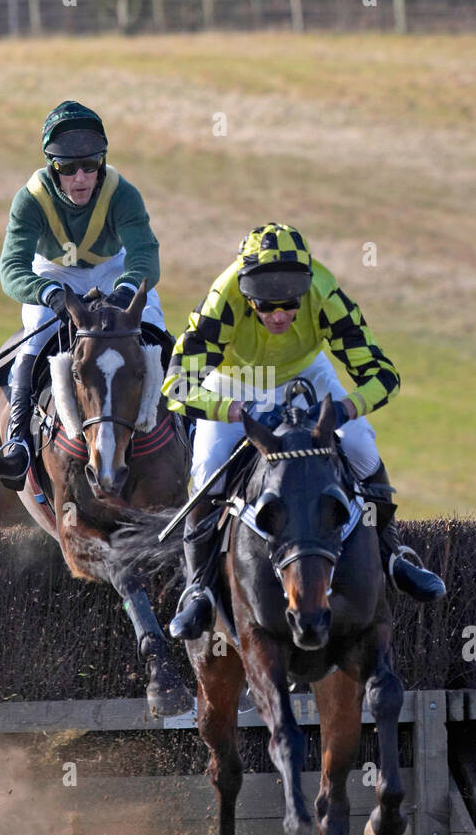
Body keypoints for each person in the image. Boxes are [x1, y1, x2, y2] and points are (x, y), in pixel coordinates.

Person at [161, 222, 445, 639]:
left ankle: (396, 554)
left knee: (362, 446)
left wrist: (347, 409)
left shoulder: (324, 292)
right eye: (265, 306)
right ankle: (198, 589)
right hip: (234, 383)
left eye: (289, 304)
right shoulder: (223, 297)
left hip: (307, 375)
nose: (278, 316)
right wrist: (231, 409)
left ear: (306, 285)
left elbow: (384, 376)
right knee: (207, 468)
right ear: (245, 291)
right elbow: (176, 386)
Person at [0, 100, 168, 489]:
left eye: (90, 165)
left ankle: (186, 424)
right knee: (33, 340)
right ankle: (18, 439)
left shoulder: (123, 194)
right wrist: (48, 294)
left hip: (113, 268)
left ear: (102, 162)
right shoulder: (30, 199)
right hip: (53, 272)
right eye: (67, 168)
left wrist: (125, 293)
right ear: (53, 168)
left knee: (154, 331)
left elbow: (145, 257)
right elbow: (11, 270)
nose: (81, 177)